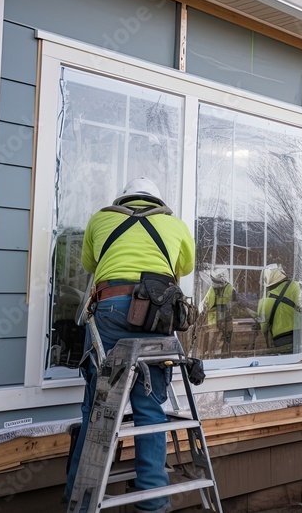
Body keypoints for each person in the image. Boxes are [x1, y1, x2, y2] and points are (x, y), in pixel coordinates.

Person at [64, 178, 194, 513]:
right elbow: (184, 268)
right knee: (150, 407)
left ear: (124, 197)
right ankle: (153, 499)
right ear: (156, 200)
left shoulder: (99, 219)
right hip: (155, 315)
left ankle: (80, 497)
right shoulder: (174, 224)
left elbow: (91, 266)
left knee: (99, 406)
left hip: (110, 308)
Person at [254, 263, 302, 352]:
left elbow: (263, 327)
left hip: (281, 339)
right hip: (301, 335)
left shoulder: (265, 301)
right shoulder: (297, 286)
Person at [201, 269, 234, 355]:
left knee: (212, 343)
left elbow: (206, 305)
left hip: (213, 321)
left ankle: (212, 357)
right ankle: (225, 356)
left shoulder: (212, 289)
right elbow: (233, 303)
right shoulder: (230, 287)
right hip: (227, 319)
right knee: (226, 341)